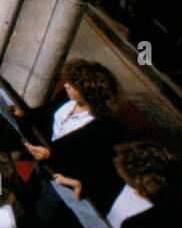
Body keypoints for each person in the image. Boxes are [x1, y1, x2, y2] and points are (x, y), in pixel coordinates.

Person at [21, 59, 123, 209]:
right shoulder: (65, 97)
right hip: (42, 166)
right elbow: (46, 114)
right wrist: (24, 114)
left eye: (73, 84)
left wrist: (51, 156)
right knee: (25, 201)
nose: (66, 85)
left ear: (88, 92)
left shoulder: (103, 128)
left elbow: (91, 164)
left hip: (63, 182)